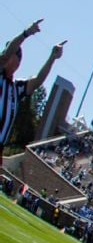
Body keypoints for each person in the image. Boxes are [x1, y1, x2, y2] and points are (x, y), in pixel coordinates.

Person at [1, 19, 64, 159]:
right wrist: (26, 33)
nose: (5, 53)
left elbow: (37, 81)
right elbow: (5, 56)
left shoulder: (15, 88)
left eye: (11, 53)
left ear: (18, 62)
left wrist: (52, 58)